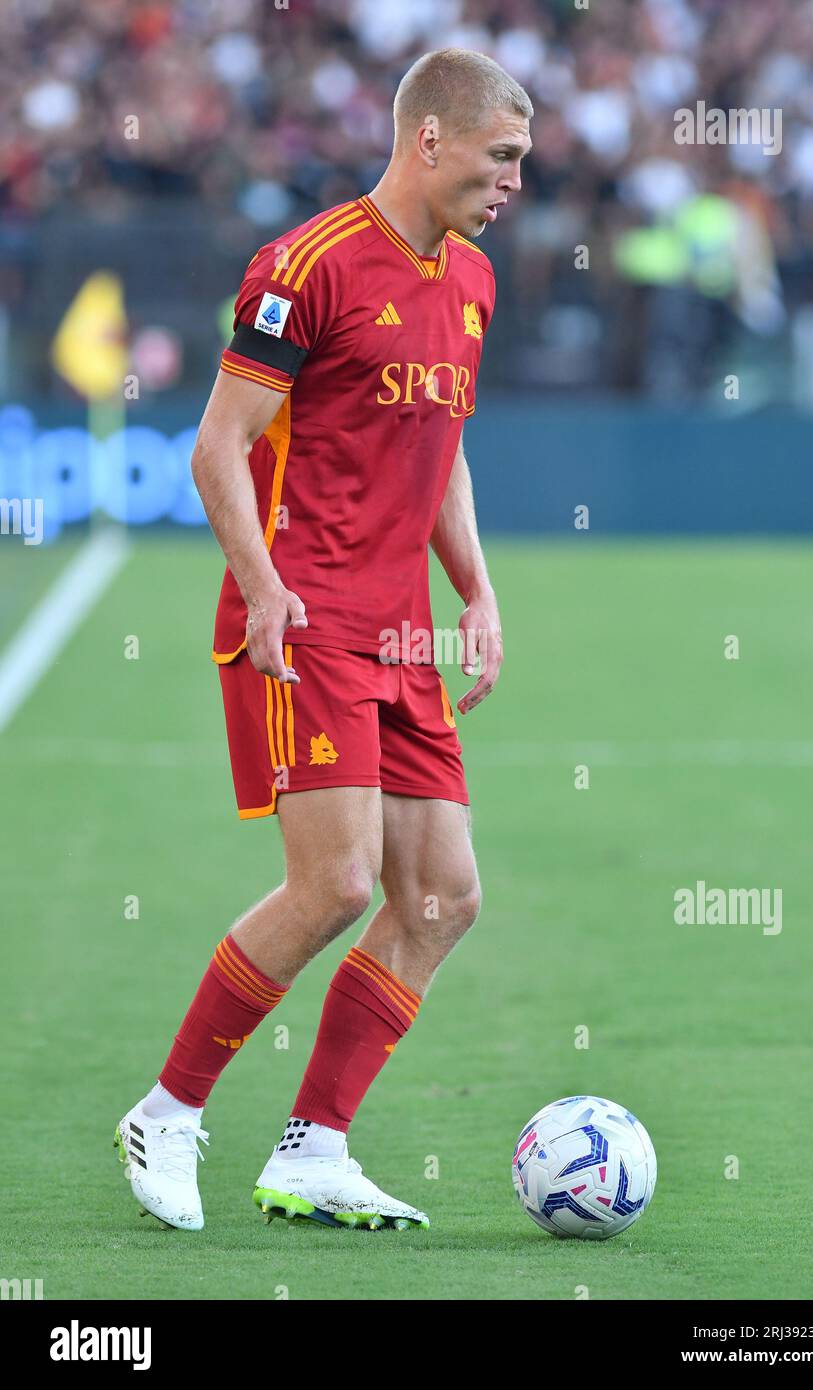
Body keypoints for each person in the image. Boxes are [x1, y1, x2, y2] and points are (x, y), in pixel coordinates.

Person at [115, 47, 532, 1231]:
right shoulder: (304, 267)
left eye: (521, 163)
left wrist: (478, 595)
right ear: (430, 138)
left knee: (442, 899)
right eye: (501, 157)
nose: (511, 182)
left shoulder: (473, 282)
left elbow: (438, 450)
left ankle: (314, 1145)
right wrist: (261, 589)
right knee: (337, 883)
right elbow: (214, 448)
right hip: (302, 619)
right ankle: (169, 1110)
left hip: (401, 637)